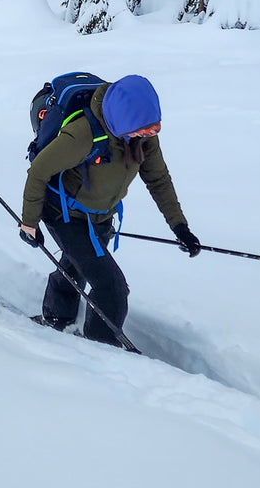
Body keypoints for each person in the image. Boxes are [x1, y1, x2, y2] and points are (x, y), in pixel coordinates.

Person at [20, 74, 200, 346]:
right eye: (145, 130)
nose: (149, 136)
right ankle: (100, 352)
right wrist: (29, 224)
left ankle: (57, 319)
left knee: (77, 266)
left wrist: (180, 227)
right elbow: (38, 172)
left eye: (154, 129)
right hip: (63, 214)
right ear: (124, 119)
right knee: (112, 288)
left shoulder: (141, 136)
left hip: (101, 216)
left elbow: (158, 179)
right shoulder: (82, 135)